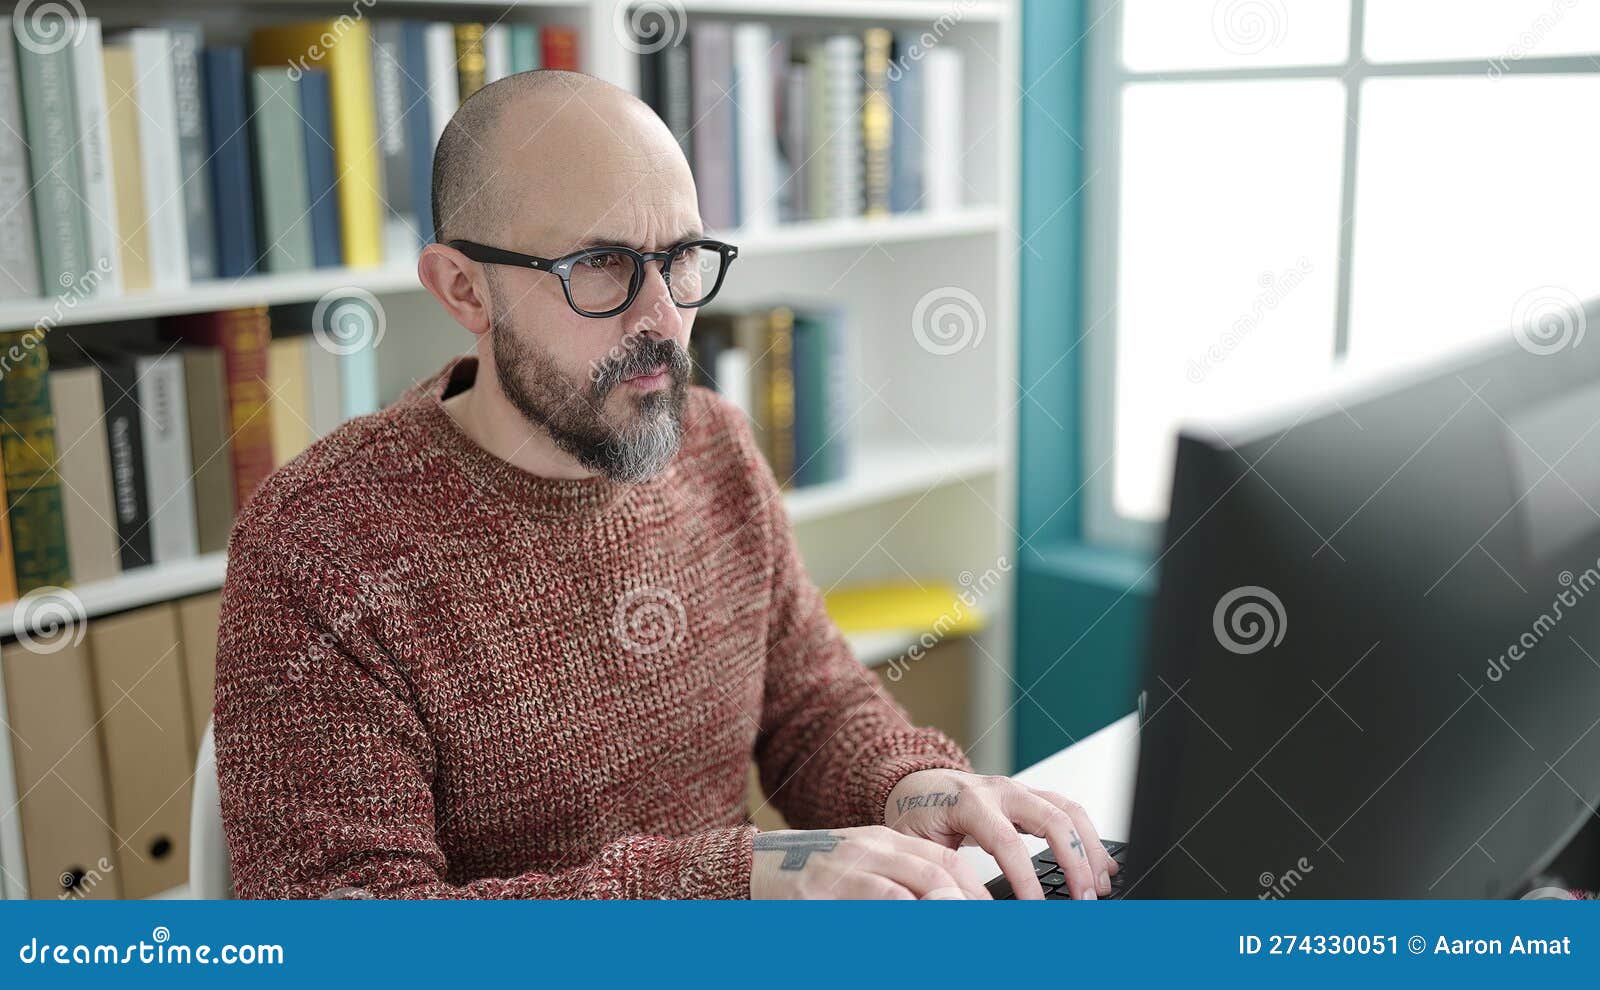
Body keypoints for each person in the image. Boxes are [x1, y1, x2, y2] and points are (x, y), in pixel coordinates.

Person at [213, 69, 1117, 900]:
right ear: (464, 290)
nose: (663, 320)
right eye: (599, 266)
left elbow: (810, 707)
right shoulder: (319, 542)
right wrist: (729, 882)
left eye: (680, 257)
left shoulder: (712, 442)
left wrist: (911, 782)